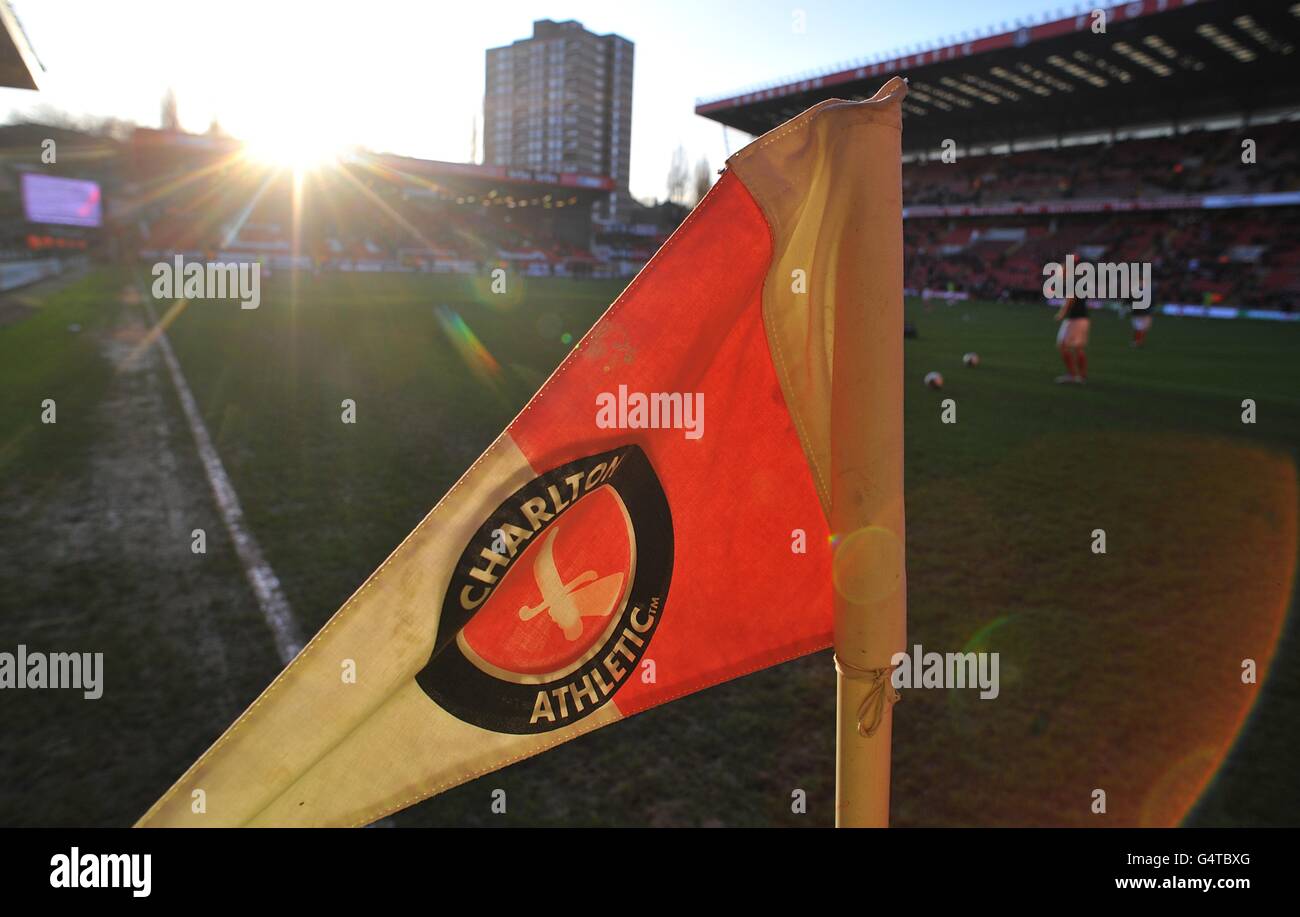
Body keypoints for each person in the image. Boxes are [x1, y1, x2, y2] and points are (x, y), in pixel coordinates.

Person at [1054, 295, 1089, 383]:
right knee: (1078, 348)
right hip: (1083, 319)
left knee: (1063, 346)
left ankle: (1072, 374)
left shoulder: (1072, 283)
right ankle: (1081, 376)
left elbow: (1070, 299)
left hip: (1074, 320)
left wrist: (1061, 313)